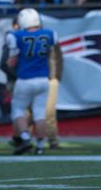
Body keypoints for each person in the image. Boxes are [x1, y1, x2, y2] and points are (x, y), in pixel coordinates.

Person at [6, 8, 60, 155]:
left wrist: (11, 62)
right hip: (43, 79)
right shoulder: (49, 34)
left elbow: (12, 62)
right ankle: (40, 145)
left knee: (18, 110)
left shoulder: (16, 36)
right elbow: (51, 52)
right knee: (40, 114)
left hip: (25, 79)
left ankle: (25, 138)